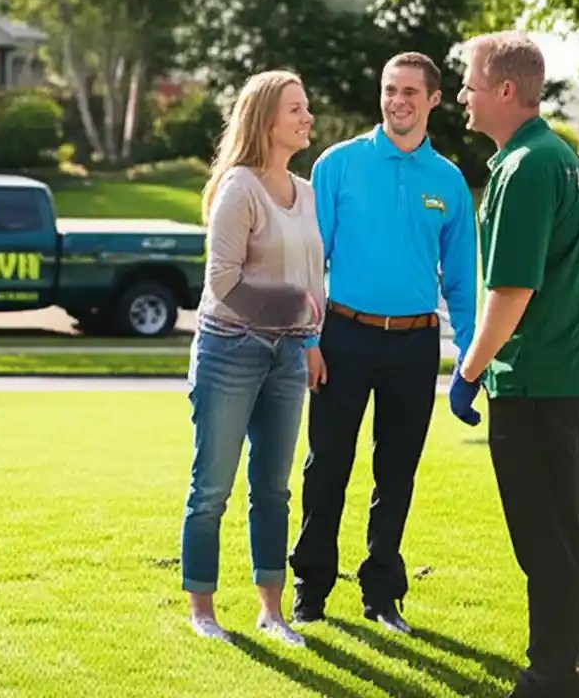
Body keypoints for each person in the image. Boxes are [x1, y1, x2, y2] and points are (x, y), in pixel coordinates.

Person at [450, 30, 579, 697]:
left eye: (470, 84)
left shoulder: (525, 168)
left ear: (505, 89)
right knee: (560, 522)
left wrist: (469, 370)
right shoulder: (561, 157)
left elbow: (511, 291)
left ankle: (550, 678)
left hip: (536, 377)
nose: (462, 96)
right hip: (572, 371)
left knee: (542, 539)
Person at [287, 51, 477, 634]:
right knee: (327, 465)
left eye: (410, 92)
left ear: (434, 100)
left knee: (397, 471)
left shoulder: (448, 181)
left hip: (415, 344)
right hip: (343, 335)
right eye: (390, 90)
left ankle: (382, 595)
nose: (397, 101)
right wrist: (308, 339)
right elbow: (311, 263)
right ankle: (310, 590)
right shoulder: (338, 165)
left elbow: (462, 281)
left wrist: (470, 360)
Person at [180, 69, 326, 647]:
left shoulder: (306, 191)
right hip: (230, 349)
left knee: (273, 489)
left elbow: (311, 276)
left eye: (305, 106)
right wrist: (290, 304)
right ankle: (203, 611)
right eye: (296, 108)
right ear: (265, 120)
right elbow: (222, 281)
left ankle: (271, 611)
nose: (307, 117)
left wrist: (310, 341)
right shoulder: (239, 188)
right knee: (211, 489)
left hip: (288, 355)